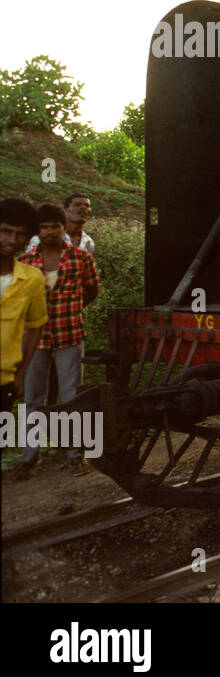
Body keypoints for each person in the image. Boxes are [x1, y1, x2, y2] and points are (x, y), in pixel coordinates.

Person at [9, 203, 99, 480]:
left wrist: (69, 311)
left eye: (55, 227)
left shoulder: (80, 258)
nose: (49, 232)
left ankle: (75, 456)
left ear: (63, 228)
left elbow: (91, 290)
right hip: (35, 339)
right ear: (38, 230)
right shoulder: (24, 262)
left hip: (69, 334)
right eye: (44, 227)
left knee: (72, 396)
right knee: (32, 397)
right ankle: (29, 458)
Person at [0, 197, 47, 430]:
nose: (11, 240)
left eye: (20, 234)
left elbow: (36, 326)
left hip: (4, 382)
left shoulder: (32, 278)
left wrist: (21, 375)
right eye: (5, 231)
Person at [27, 192, 94, 255]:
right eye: (77, 205)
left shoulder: (88, 242)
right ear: (65, 210)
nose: (83, 208)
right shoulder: (44, 237)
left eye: (87, 205)